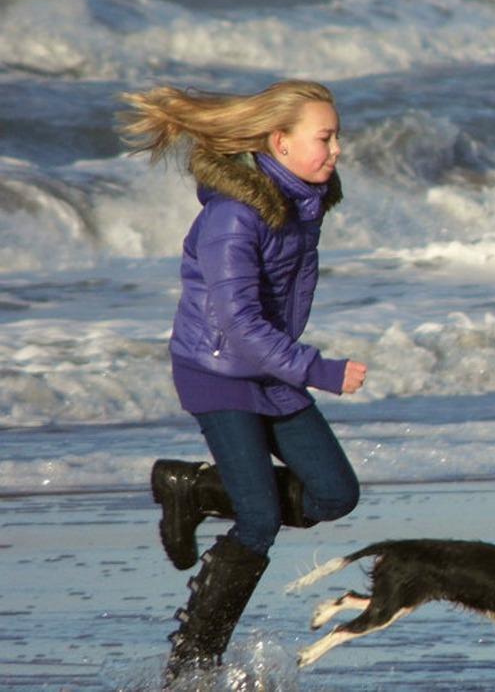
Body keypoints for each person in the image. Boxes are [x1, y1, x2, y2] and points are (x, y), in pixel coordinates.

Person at [118, 79, 367, 682]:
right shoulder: (234, 216)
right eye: (325, 138)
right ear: (279, 142)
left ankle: (194, 489)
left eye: (337, 136)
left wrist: (293, 367)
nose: (336, 150)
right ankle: (194, 656)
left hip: (268, 368)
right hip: (219, 372)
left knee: (335, 494)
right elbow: (239, 323)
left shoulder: (301, 202)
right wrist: (320, 370)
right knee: (257, 521)